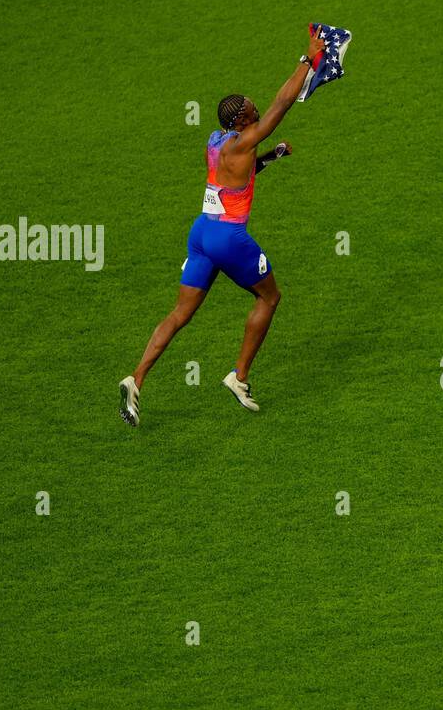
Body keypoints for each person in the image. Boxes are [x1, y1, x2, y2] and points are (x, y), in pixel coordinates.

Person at [118, 28, 326, 426]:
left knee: (180, 314)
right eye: (251, 108)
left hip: (201, 233)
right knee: (269, 298)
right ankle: (239, 377)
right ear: (242, 120)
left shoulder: (216, 142)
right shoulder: (243, 140)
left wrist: (272, 156)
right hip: (228, 238)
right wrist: (307, 59)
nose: (257, 108)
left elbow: (236, 177)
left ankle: (136, 378)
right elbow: (283, 104)